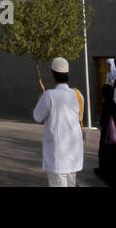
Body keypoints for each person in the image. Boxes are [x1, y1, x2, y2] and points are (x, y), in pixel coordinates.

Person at [32, 56, 84, 186]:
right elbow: (80, 118)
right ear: (68, 74)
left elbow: (37, 116)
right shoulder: (78, 95)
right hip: (74, 152)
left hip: (57, 153)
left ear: (53, 75)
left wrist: (40, 99)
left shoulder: (49, 95)